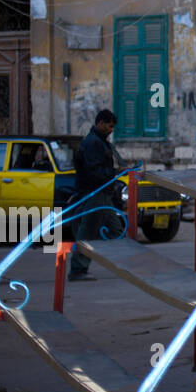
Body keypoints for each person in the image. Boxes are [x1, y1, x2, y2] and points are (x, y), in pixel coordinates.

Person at [68, 109, 119, 281]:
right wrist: (115, 172)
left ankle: (128, 266)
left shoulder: (99, 142)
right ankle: (78, 269)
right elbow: (94, 171)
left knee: (116, 230)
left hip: (103, 193)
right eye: (109, 126)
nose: (111, 130)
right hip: (94, 193)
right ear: (101, 123)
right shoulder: (93, 143)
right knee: (88, 231)